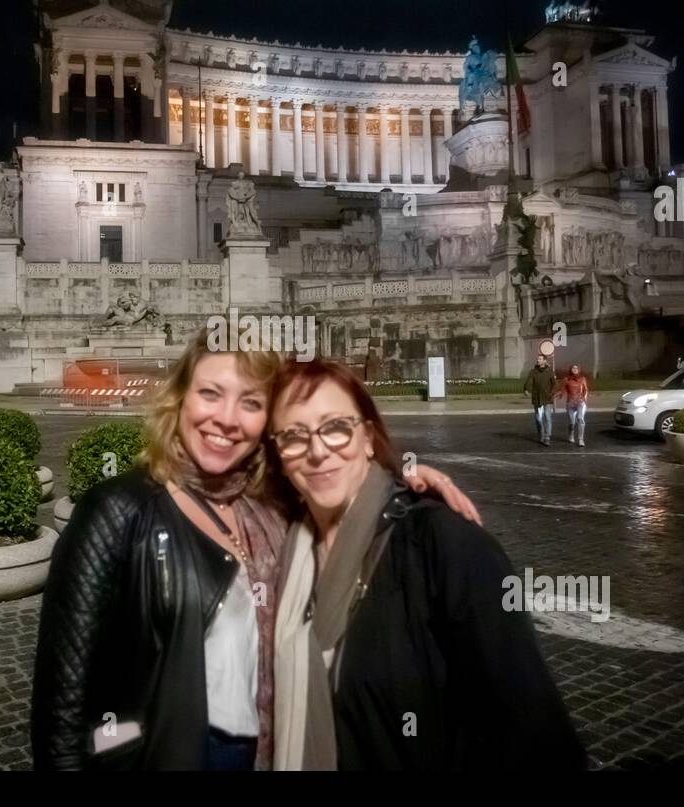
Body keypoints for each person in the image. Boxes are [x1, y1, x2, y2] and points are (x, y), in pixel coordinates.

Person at [31, 330, 477, 770]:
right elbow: (61, 714)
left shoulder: (276, 504)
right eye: (211, 393)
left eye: (250, 402)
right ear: (181, 398)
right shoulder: (115, 513)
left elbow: (342, 487)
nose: (227, 419)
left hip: (272, 751)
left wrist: (405, 487)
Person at [270, 358, 586, 770]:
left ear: (367, 437)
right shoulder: (284, 545)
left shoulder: (445, 544)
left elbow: (537, 737)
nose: (316, 450)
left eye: (336, 427)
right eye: (293, 436)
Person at [522, 354, 556, 446]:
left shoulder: (549, 372)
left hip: (547, 398)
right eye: (538, 359)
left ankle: (547, 437)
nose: (538, 360)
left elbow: (554, 384)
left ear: (545, 361)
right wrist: (526, 389)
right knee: (538, 418)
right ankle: (541, 435)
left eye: (540, 359)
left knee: (547, 417)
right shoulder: (533, 371)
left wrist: (551, 393)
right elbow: (529, 381)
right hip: (537, 398)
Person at [557, 364, 589, 447]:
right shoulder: (566, 379)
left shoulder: (582, 379)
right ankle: (571, 435)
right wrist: (558, 395)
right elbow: (562, 389)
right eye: (573, 368)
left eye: (576, 368)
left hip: (580, 402)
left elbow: (585, 390)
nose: (574, 369)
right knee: (572, 422)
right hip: (570, 403)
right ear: (570, 369)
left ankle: (580, 439)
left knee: (580, 418)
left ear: (579, 369)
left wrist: (584, 399)